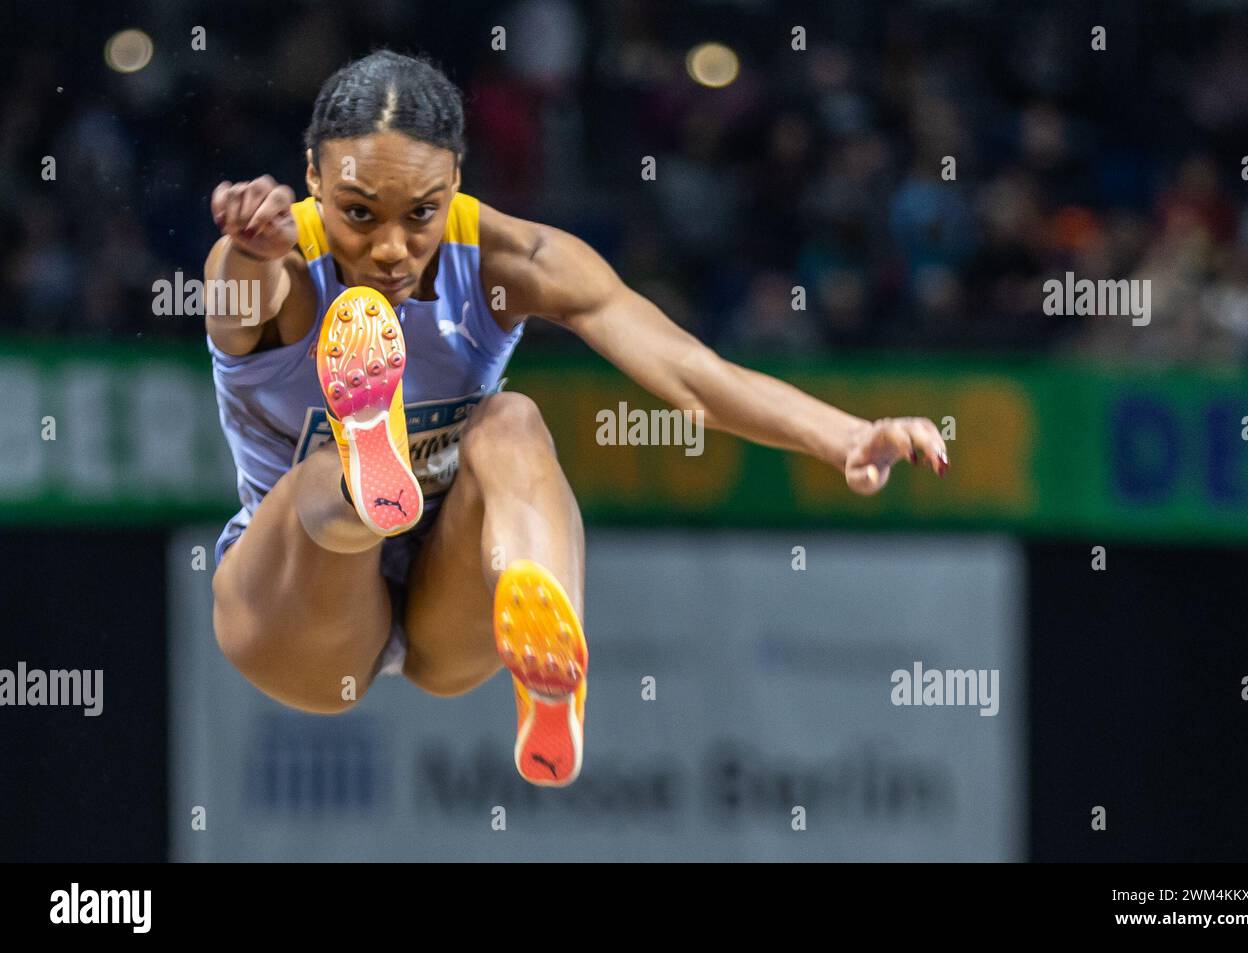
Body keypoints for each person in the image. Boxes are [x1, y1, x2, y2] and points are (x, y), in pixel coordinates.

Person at [204, 50, 949, 788]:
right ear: (312, 177)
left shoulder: (511, 256)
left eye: (421, 213)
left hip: (450, 598)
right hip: (298, 618)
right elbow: (232, 300)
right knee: (324, 479)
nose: (391, 249)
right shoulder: (277, 262)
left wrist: (844, 434)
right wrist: (245, 252)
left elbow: (690, 372)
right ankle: (365, 480)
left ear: (456, 182)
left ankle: (544, 643)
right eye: (359, 213)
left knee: (514, 421)